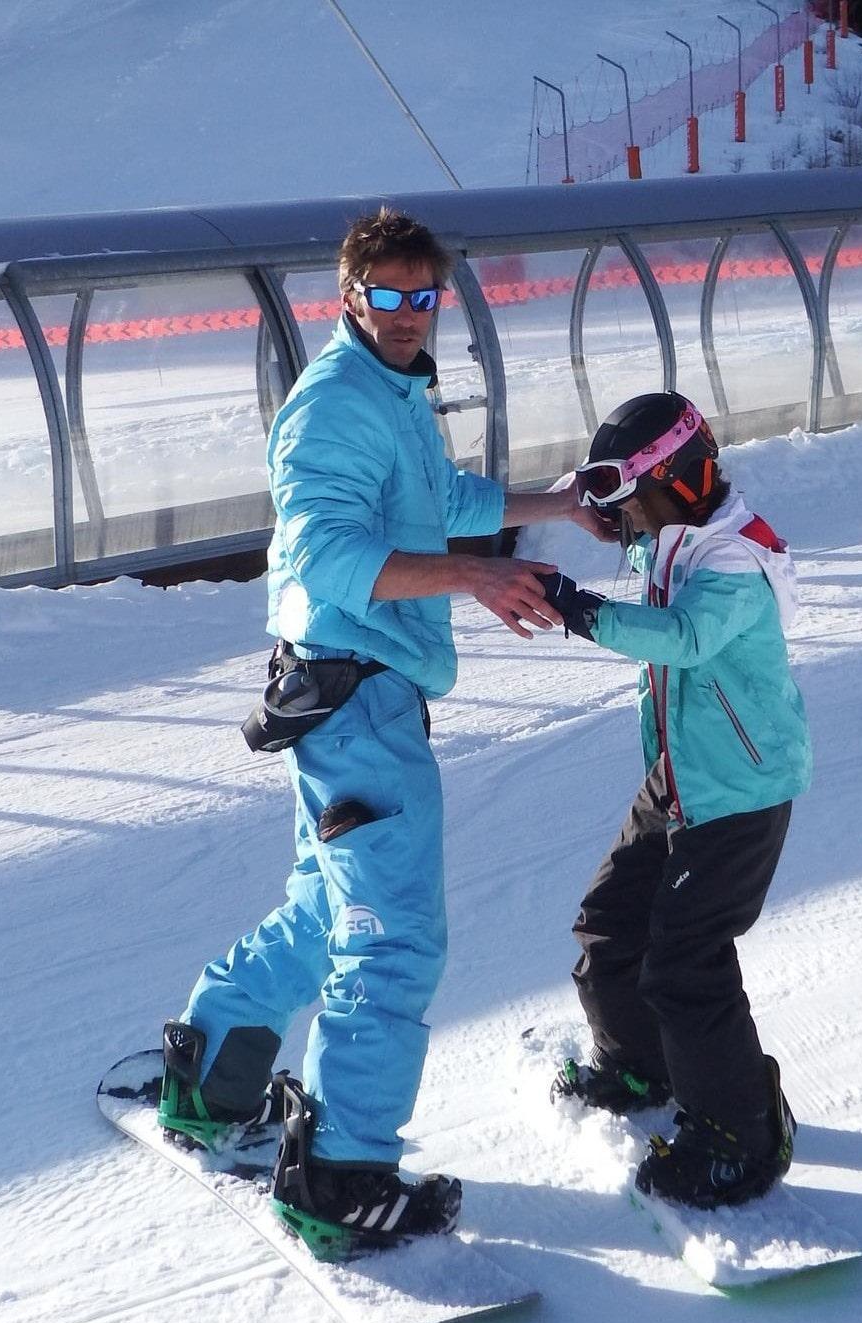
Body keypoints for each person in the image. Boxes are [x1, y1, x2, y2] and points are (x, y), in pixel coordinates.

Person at [155, 207, 608, 1257]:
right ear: (349, 296)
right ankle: (340, 1175)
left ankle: (210, 1071)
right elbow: (323, 552)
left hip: (354, 690)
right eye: (389, 297)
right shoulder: (333, 408)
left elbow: (432, 499)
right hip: (358, 699)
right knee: (392, 935)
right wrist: (475, 573)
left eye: (424, 296)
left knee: (326, 906)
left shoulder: (397, 389)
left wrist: (554, 506)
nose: (409, 316)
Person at [536, 391, 811, 1209]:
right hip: (682, 780)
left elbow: (681, 637)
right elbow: (647, 555)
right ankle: (640, 1063)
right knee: (609, 919)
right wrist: (610, 527)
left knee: (686, 963)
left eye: (633, 501)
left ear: (682, 480)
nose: (629, 520)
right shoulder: (676, 535)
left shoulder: (735, 562)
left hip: (741, 793)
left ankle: (739, 1136)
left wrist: (575, 607)